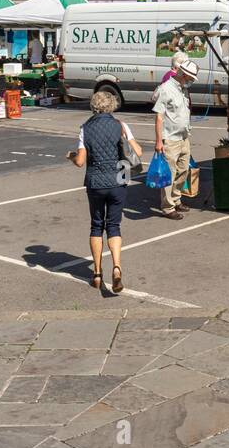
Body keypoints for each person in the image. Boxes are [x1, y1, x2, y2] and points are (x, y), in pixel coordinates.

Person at [69, 89, 142, 294]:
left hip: (95, 182)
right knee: (114, 225)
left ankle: (98, 273)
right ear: (112, 106)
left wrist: (71, 157)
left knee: (96, 226)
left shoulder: (85, 128)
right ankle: (117, 268)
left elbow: (81, 161)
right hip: (119, 180)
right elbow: (137, 152)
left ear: (93, 106)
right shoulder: (120, 125)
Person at [154, 58, 198, 220]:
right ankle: (168, 206)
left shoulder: (182, 89)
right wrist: (159, 141)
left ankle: (176, 198)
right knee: (170, 174)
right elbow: (159, 117)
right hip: (170, 138)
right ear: (183, 74)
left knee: (183, 169)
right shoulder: (166, 89)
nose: (192, 81)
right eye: (191, 78)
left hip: (183, 136)